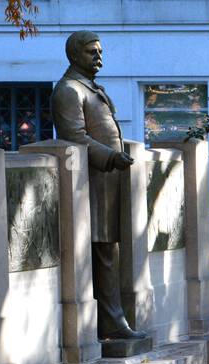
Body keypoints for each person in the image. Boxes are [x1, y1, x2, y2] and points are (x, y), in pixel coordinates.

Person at [51, 30, 147, 342]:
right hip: (88, 184)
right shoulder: (68, 90)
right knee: (102, 254)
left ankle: (112, 321)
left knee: (109, 252)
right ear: (74, 55)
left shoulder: (89, 87)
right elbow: (74, 136)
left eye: (100, 51)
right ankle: (111, 323)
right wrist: (110, 157)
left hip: (106, 183)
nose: (99, 57)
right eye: (92, 52)